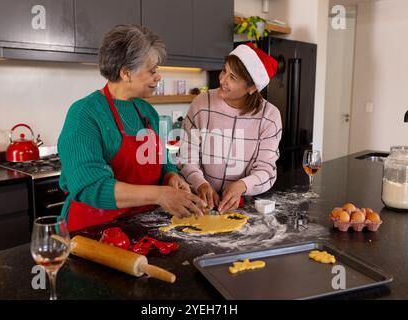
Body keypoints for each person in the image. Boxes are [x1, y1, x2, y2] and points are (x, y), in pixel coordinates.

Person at [58, 25, 206, 232]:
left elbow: (163, 162)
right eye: (152, 71)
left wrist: (170, 176)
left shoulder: (146, 111)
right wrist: (159, 194)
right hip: (91, 232)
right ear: (126, 73)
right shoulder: (84, 114)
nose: (158, 77)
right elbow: (90, 186)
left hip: (141, 225)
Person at [179, 42, 282, 214]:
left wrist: (241, 186)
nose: (222, 80)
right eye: (224, 70)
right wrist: (201, 183)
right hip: (201, 201)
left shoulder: (269, 116)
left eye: (233, 78)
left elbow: (266, 171)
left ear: (251, 87)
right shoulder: (202, 103)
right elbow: (186, 156)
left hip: (245, 205)